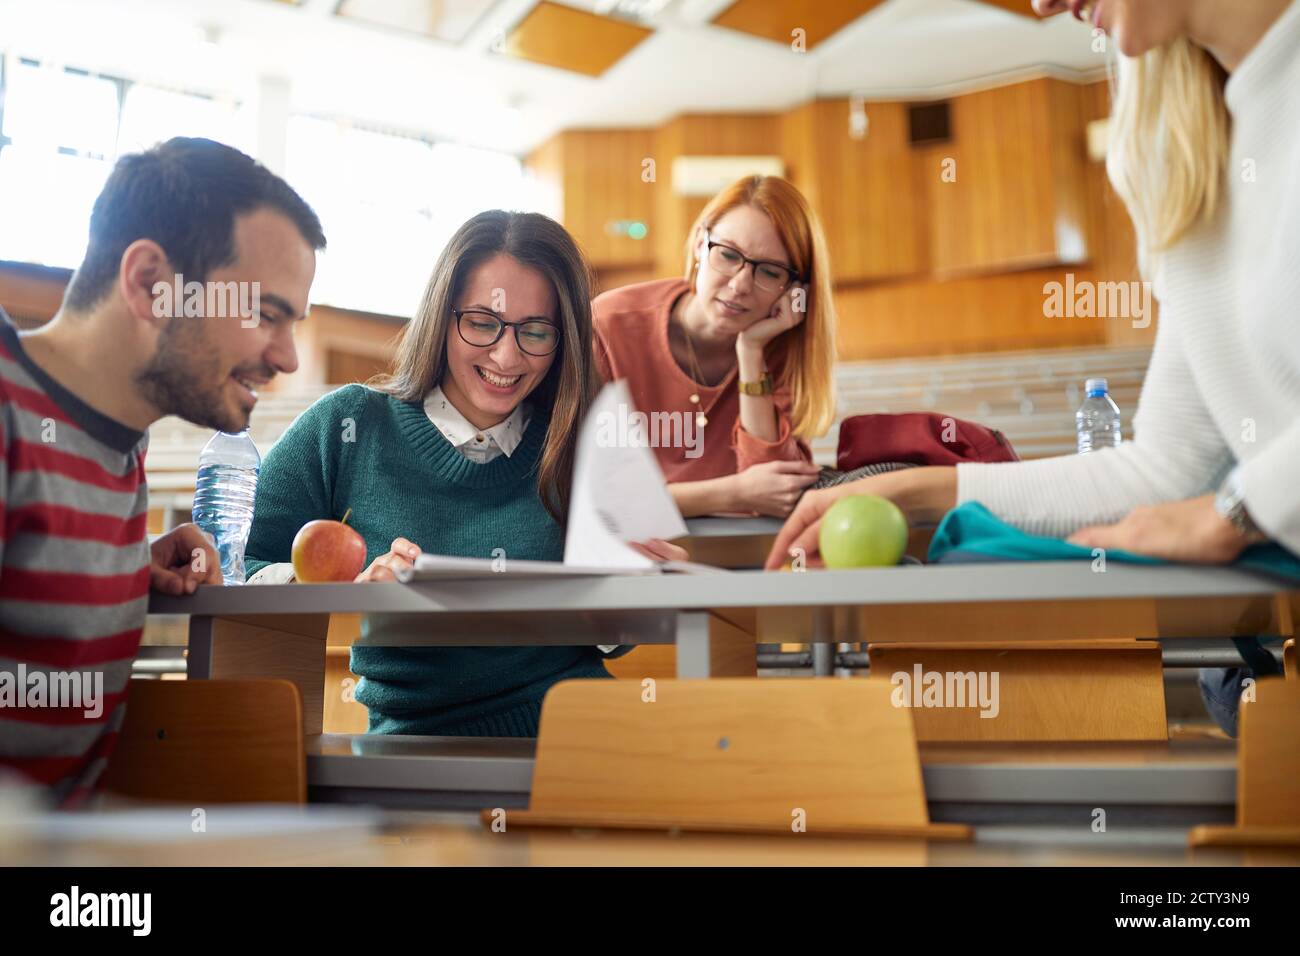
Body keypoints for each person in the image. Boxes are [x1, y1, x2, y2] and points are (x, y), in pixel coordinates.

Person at [767, 0, 1300, 735]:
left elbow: (1213, 501)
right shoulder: (1195, 162)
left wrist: (1235, 509)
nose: (1044, 5)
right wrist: (913, 493)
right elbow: (1168, 470)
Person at [244, 210, 681, 737]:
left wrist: (633, 591)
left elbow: (615, 638)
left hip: (579, 740)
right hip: (409, 750)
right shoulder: (347, 425)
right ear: (441, 316)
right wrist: (341, 586)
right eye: (481, 323)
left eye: (536, 332)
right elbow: (239, 563)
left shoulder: (587, 438)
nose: (506, 355)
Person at [0, 137, 325, 805]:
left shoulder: (119, 443)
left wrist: (121, 569)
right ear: (153, 285)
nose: (289, 358)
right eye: (265, 314)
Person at [593, 175, 836, 518]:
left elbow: (779, 496)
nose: (740, 285)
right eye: (728, 254)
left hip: (743, 558)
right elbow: (589, 494)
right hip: (631, 554)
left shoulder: (782, 350)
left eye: (769, 272)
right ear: (698, 243)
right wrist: (733, 494)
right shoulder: (608, 324)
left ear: (795, 288)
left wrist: (751, 352)